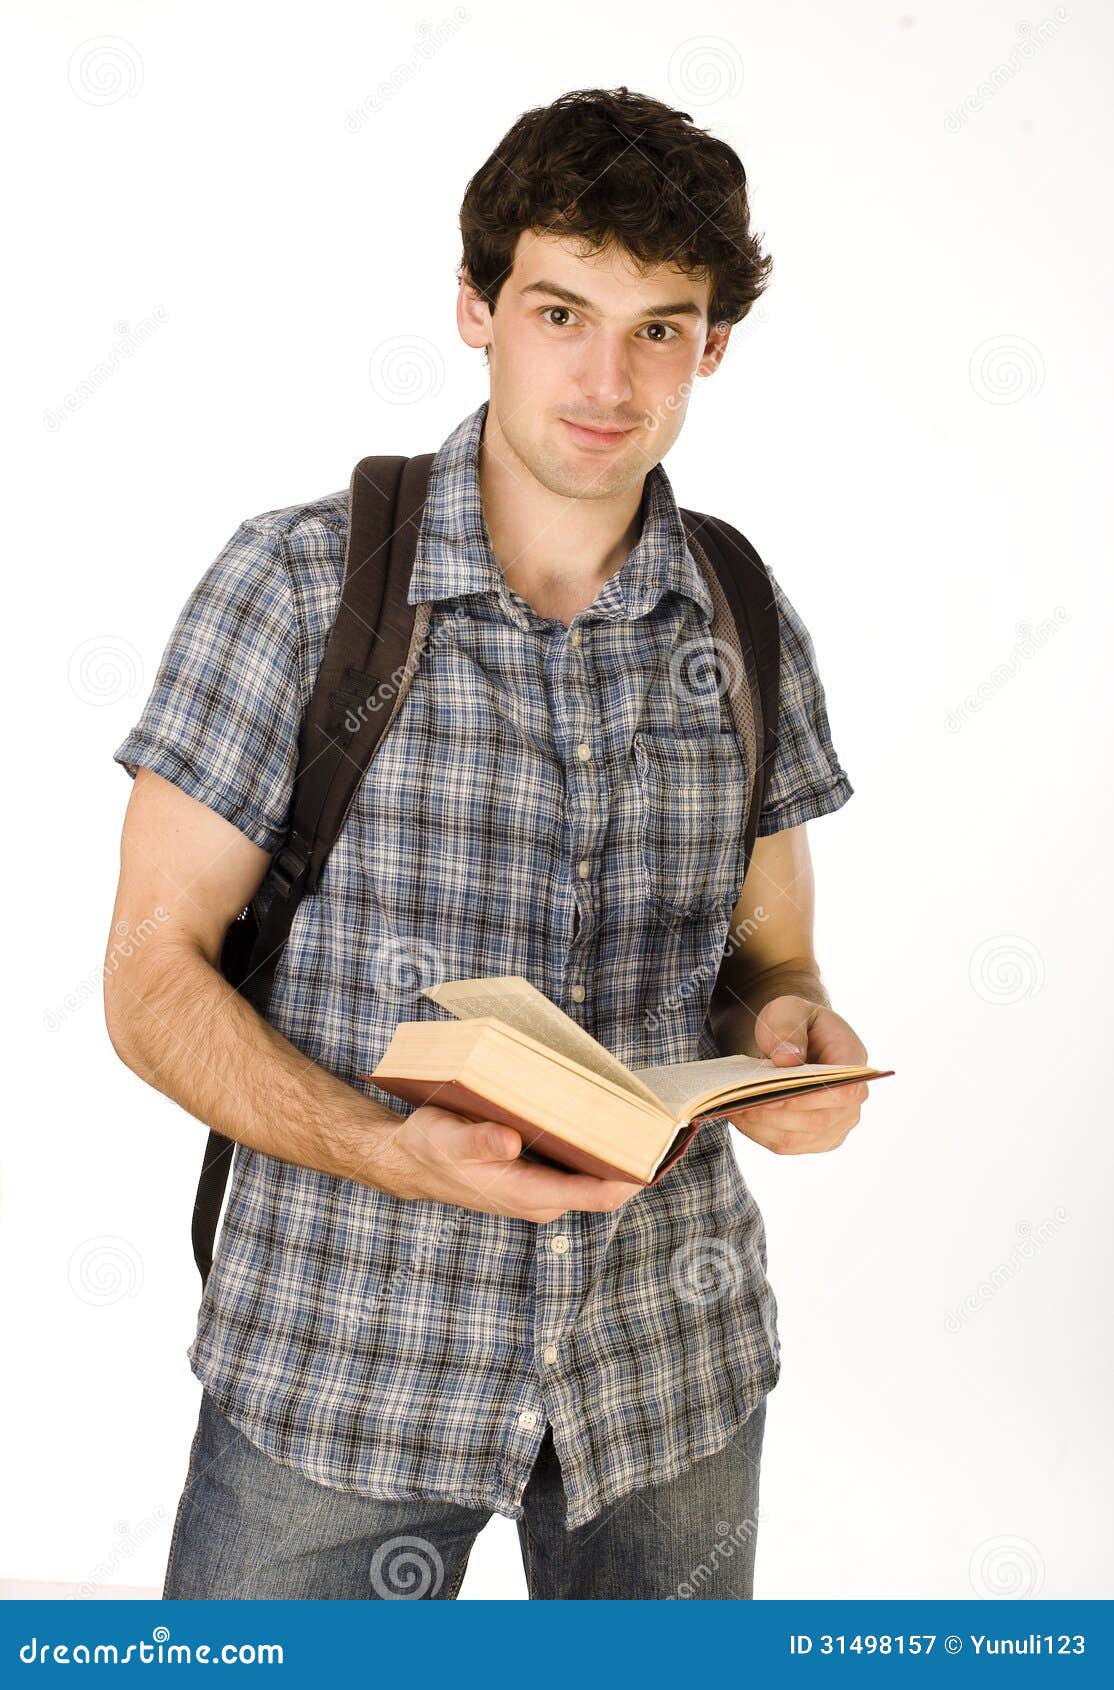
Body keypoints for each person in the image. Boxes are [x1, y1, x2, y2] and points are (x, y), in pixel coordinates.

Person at [104, 86, 871, 1601]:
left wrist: (790, 1042)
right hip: (340, 1370)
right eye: (560, 310)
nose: (609, 376)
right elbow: (149, 978)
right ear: (474, 308)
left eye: (661, 325)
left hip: (663, 1373)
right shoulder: (300, 583)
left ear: (711, 346)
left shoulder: (740, 613)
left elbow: (767, 952)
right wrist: (390, 1148)